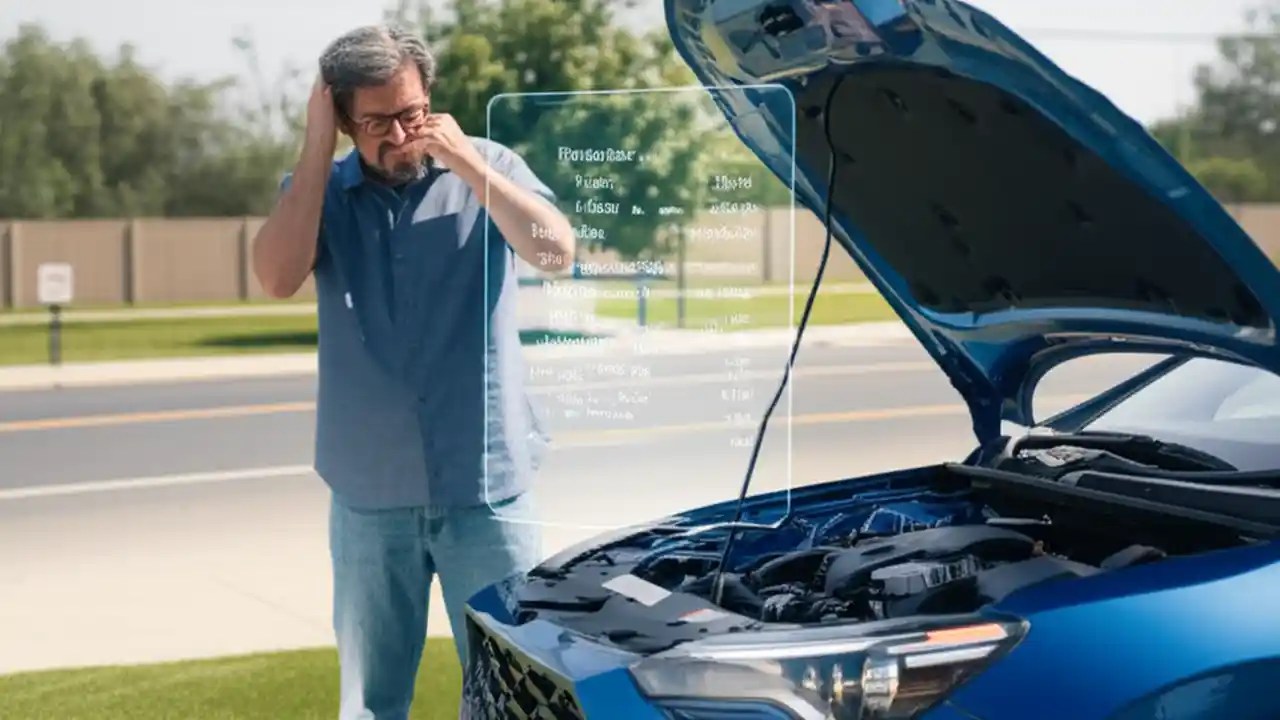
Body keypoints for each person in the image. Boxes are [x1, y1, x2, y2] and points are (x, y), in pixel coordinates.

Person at [250, 23, 575, 720]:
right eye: (374, 123)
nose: (399, 136)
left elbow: (558, 253)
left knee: (518, 699)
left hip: (488, 493)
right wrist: (315, 145)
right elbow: (276, 276)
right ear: (341, 120)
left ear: (429, 97)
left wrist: (467, 163)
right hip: (370, 502)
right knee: (370, 703)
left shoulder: (490, 168)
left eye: (411, 113)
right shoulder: (318, 193)